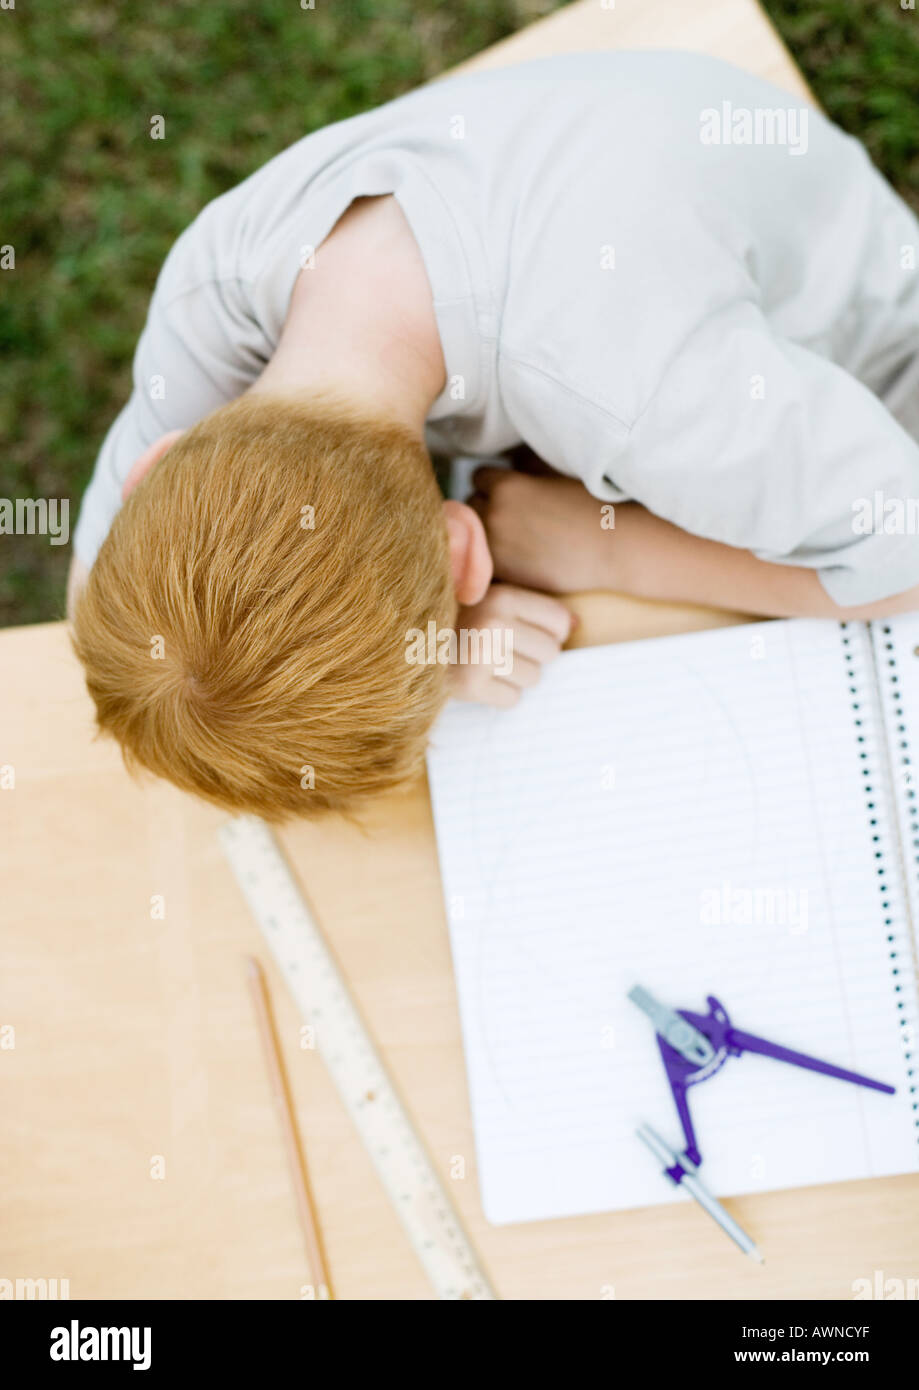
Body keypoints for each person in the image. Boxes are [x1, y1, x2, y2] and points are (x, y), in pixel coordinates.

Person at [70, 52, 919, 818]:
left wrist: (607, 552)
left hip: (859, 338)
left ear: (467, 557)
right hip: (594, 144)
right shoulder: (211, 281)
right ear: (158, 463)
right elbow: (103, 597)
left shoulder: (647, 395)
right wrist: (410, 646)